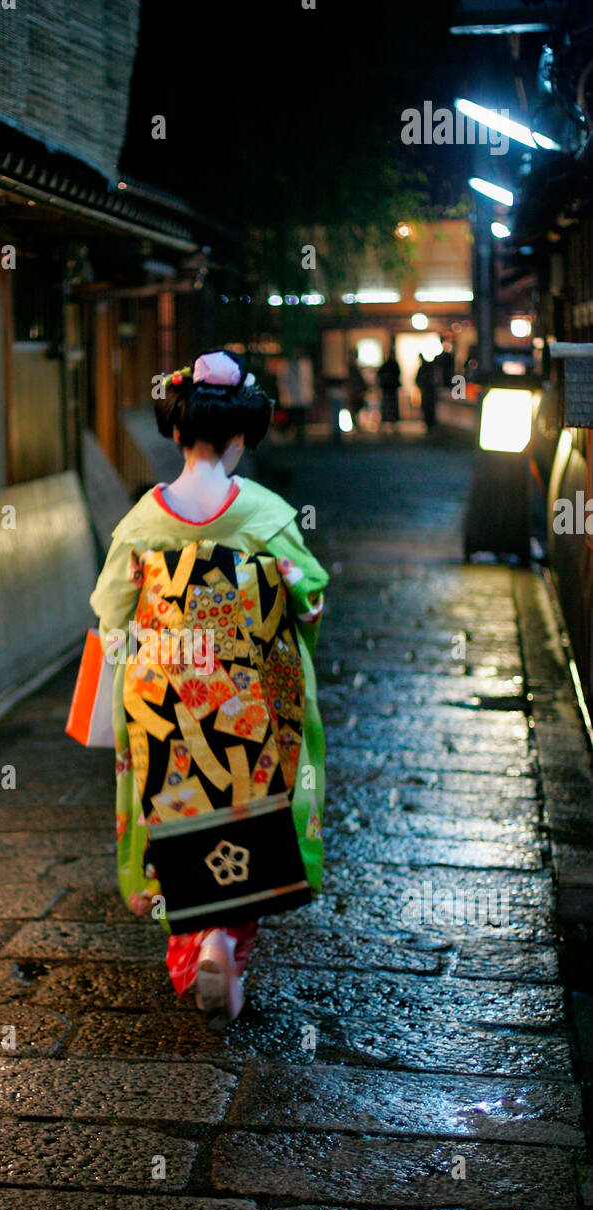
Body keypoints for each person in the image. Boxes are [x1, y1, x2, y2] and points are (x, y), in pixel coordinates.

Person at [89, 349, 328, 1029]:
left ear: (175, 433)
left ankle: (196, 946)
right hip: (249, 706)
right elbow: (307, 598)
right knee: (249, 812)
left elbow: (111, 611)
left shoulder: (141, 521)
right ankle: (228, 941)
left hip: (167, 706)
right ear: (242, 438)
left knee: (178, 816)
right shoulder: (265, 513)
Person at [377, 344, 401, 428]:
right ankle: (388, 418)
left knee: (391, 403)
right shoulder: (388, 365)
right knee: (388, 403)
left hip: (390, 387)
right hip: (388, 387)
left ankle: (391, 418)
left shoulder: (393, 365)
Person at [416, 353, 436, 431]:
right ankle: (429, 423)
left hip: (427, 392)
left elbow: (418, 379)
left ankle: (429, 423)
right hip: (428, 391)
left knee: (427, 408)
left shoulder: (424, 368)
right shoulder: (428, 368)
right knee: (428, 408)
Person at [347, 352, 366, 427]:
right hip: (353, 392)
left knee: (356, 408)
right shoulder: (351, 368)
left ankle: (356, 424)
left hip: (356, 391)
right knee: (353, 409)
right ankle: (354, 424)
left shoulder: (355, 368)